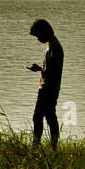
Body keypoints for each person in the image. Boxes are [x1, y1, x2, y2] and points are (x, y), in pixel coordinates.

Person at [27, 19, 63, 149]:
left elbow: (53, 70)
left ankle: (38, 146)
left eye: (38, 36)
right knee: (48, 116)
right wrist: (40, 68)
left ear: (44, 32)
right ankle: (51, 146)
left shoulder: (54, 47)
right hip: (49, 87)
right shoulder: (53, 45)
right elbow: (51, 67)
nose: (38, 39)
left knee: (40, 117)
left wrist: (41, 69)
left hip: (48, 88)